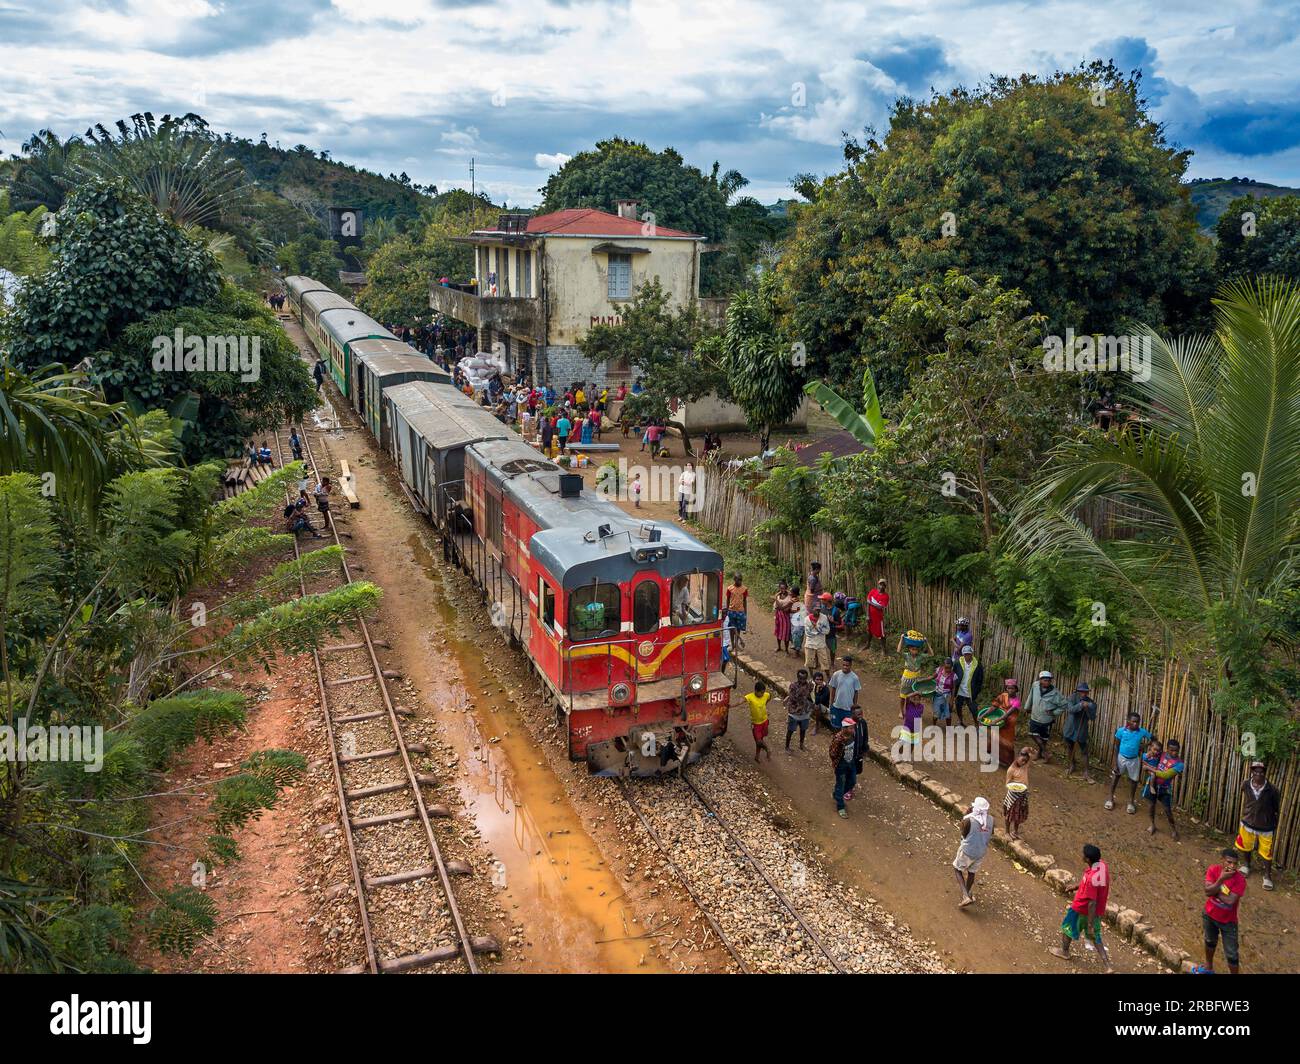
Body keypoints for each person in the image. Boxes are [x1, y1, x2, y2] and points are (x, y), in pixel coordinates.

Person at [1050, 844, 1113, 972]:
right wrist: (1076, 886)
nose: (1082, 855)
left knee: (1067, 927)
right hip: (1095, 913)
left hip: (1081, 909)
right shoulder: (1102, 866)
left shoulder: (1091, 880)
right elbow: (1093, 886)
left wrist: (1089, 924)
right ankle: (1107, 966)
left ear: (1088, 859)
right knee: (1096, 936)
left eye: (1083, 854)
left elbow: (1091, 903)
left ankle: (1065, 952)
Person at [1235, 761, 1282, 891]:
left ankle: (1267, 876)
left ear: (1265, 774)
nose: (1258, 774)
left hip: (1266, 825)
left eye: (1261, 772)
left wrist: (1272, 820)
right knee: (1245, 845)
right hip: (1248, 821)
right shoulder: (1245, 784)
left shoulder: (1272, 790)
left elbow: (1276, 808)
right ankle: (1246, 865)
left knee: (1267, 852)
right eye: (1255, 772)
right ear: (1252, 773)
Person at [1199, 849, 1247, 974]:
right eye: (1229, 862)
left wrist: (1214, 889)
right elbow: (1207, 892)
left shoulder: (1240, 880)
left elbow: (1230, 900)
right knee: (1209, 941)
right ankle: (1209, 967)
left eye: (1235, 864)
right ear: (1222, 860)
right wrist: (1220, 880)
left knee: (1231, 953)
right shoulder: (1213, 870)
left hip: (1228, 922)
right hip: (1209, 914)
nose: (1232, 866)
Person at [1104, 712, 1153, 814]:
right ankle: (1110, 798)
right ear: (1128, 721)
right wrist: (1116, 763)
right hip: (1121, 758)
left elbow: (1153, 739)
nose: (1135, 724)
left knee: (1134, 780)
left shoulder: (1142, 732)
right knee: (1116, 776)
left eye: (1137, 722)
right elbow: (1116, 747)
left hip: (1134, 760)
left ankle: (1131, 802)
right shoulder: (1121, 731)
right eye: (1133, 721)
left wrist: (1144, 746)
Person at [953, 798, 993, 908]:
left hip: (967, 851)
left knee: (957, 869)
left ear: (974, 808)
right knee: (971, 872)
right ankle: (968, 893)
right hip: (980, 852)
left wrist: (966, 814)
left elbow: (963, 834)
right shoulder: (991, 820)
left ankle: (965, 895)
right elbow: (990, 833)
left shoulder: (969, 820)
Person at [1141, 738, 1184, 839]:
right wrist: (1146, 763)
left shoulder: (1180, 764)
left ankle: (1173, 829)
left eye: (1176, 750)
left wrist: (1149, 768)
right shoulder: (1162, 754)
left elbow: (1166, 775)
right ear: (1167, 749)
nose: (1174, 752)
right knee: (1151, 805)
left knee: (1167, 810)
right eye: (1172, 750)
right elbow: (1149, 757)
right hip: (1153, 783)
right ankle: (1152, 825)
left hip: (1164, 788)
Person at [1025, 670, 1068, 762]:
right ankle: (1045, 752)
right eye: (1045, 680)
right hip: (1035, 715)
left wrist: (1054, 712)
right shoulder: (1035, 685)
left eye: (1049, 680)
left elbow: (1064, 704)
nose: (1047, 682)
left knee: (1044, 738)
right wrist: (1027, 707)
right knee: (1032, 734)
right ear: (1040, 680)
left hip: (1046, 719)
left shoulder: (1055, 693)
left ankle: (1040, 754)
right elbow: (1031, 696)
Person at [1063, 681, 1098, 780]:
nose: (1084, 694)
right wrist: (1081, 705)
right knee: (1070, 747)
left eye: (1086, 692)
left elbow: (1092, 717)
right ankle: (1072, 765)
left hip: (1082, 729)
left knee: (1084, 751)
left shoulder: (1091, 703)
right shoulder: (1072, 698)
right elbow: (1070, 710)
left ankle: (1086, 772)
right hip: (1070, 727)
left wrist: (1087, 708)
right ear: (1078, 691)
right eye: (1082, 691)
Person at [896, 629, 930, 715]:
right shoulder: (907, 656)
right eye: (913, 649)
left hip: (916, 678)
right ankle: (901, 710)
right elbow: (898, 651)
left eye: (916, 649)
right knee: (903, 696)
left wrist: (926, 642)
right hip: (907, 678)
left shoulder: (920, 656)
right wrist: (901, 639)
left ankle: (908, 710)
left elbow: (931, 654)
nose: (914, 651)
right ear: (909, 649)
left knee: (911, 696)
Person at [830, 718, 858, 819]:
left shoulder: (852, 735)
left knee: (852, 781)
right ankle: (840, 807)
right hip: (841, 765)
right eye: (851, 728)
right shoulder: (838, 739)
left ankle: (837, 795)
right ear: (845, 728)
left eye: (853, 728)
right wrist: (836, 762)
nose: (853, 730)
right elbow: (832, 753)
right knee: (840, 785)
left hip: (851, 763)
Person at [990, 678, 1022, 767]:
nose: (1010, 690)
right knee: (994, 740)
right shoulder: (1003, 695)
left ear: (1016, 689)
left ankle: (1008, 762)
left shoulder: (1016, 702)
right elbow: (994, 706)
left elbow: (1006, 715)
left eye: (1012, 688)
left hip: (1009, 725)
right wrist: (982, 715)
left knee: (1007, 744)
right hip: (1000, 723)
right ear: (1006, 688)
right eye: (1008, 688)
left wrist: (995, 721)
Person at [1003, 747, 1031, 840]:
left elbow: (1034, 755)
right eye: (1022, 760)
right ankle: (1007, 832)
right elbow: (1007, 783)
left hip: (1023, 795)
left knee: (1019, 815)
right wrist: (1015, 787)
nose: (1024, 762)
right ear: (1018, 757)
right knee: (1010, 814)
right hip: (1013, 796)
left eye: (1026, 761)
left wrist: (1028, 748)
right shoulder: (1011, 769)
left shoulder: (1025, 765)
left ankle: (1015, 831)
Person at [952, 644, 983, 726]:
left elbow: (980, 680)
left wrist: (976, 691)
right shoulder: (958, 663)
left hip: (970, 692)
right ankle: (960, 721)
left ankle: (977, 725)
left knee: (973, 709)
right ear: (963, 654)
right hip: (960, 690)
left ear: (972, 654)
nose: (967, 656)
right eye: (965, 654)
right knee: (958, 706)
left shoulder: (977, 665)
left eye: (968, 654)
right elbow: (953, 674)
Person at [828, 656, 860, 730]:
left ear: (851, 665)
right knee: (836, 726)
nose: (845, 667)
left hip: (848, 708)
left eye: (847, 665)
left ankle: (844, 741)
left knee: (847, 728)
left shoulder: (854, 678)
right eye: (843, 665)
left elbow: (856, 692)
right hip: (837, 706)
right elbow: (833, 689)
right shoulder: (836, 674)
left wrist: (854, 706)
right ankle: (837, 740)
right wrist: (831, 703)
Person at [785, 669, 813, 752]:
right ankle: (787, 747)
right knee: (790, 730)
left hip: (804, 711)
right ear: (797, 677)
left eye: (804, 678)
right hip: (794, 712)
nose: (803, 680)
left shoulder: (809, 685)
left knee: (803, 729)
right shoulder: (793, 686)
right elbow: (793, 698)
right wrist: (803, 690)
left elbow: (810, 695)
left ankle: (801, 744)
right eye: (801, 678)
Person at [746, 680, 771, 761]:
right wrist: (731, 706)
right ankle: (767, 749)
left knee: (760, 740)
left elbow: (769, 697)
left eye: (763, 693)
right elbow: (741, 701)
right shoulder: (750, 697)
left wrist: (765, 704)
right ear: (756, 691)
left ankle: (757, 756)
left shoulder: (765, 695)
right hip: (756, 724)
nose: (762, 695)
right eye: (761, 693)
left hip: (764, 721)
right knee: (758, 741)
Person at [772, 581, 797, 655]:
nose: (782, 590)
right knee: (778, 631)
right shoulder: (779, 595)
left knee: (786, 632)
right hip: (778, 615)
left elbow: (783, 608)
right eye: (781, 588)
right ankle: (779, 647)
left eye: (784, 588)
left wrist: (775, 598)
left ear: (786, 588)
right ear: (779, 588)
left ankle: (786, 650)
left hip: (786, 616)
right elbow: (775, 607)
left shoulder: (790, 597)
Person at [866, 578, 890, 652]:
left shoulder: (886, 596)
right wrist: (867, 615)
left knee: (882, 634)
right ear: (878, 584)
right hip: (870, 616)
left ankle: (884, 650)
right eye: (880, 584)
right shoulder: (873, 591)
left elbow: (880, 607)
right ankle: (868, 644)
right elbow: (867, 603)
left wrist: (871, 603)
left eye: (883, 585)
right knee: (869, 631)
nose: (881, 586)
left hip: (879, 618)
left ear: (885, 586)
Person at [724, 574, 748, 648]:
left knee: (738, 628)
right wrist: (727, 609)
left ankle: (737, 643)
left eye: (741, 580)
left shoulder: (744, 589)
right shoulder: (730, 588)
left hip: (740, 611)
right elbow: (728, 599)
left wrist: (745, 612)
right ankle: (732, 644)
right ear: (735, 580)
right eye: (738, 580)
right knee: (732, 628)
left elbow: (744, 601)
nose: (740, 581)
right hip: (732, 610)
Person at [933, 659, 956, 726]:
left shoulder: (954, 675)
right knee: (936, 713)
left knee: (948, 714)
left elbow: (953, 688)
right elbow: (932, 677)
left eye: (950, 668)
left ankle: (949, 730)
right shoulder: (939, 670)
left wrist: (952, 700)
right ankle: (934, 726)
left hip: (947, 697)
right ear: (943, 666)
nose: (948, 670)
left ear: (952, 667)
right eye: (946, 668)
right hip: (937, 695)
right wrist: (922, 680)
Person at [810, 669, 831, 735]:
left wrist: (817, 691)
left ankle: (817, 725)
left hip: (824, 707)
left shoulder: (826, 689)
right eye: (817, 679)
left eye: (820, 679)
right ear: (814, 680)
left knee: (817, 706)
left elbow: (818, 701)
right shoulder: (812, 686)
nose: (819, 681)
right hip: (814, 704)